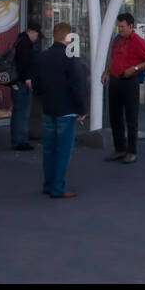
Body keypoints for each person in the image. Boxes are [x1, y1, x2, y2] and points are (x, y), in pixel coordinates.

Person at [35, 22, 88, 198]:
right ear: (69, 38)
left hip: (48, 108)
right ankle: (58, 188)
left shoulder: (42, 57)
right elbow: (77, 86)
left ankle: (48, 184)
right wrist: (82, 109)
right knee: (63, 151)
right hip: (66, 110)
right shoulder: (70, 58)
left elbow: (36, 85)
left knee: (49, 149)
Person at [102, 12, 145, 164]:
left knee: (131, 118)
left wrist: (135, 68)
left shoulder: (138, 41)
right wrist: (106, 72)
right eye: (118, 26)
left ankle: (132, 151)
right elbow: (114, 58)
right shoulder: (117, 39)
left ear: (131, 26)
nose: (120, 29)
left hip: (129, 82)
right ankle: (120, 149)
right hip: (115, 81)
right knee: (115, 117)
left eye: (123, 27)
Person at [9, 21, 41, 151]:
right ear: (32, 32)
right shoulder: (25, 43)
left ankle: (18, 139)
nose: (37, 38)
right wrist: (28, 79)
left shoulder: (19, 40)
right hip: (21, 83)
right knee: (22, 111)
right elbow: (24, 64)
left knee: (18, 111)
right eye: (37, 35)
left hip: (17, 82)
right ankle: (20, 141)